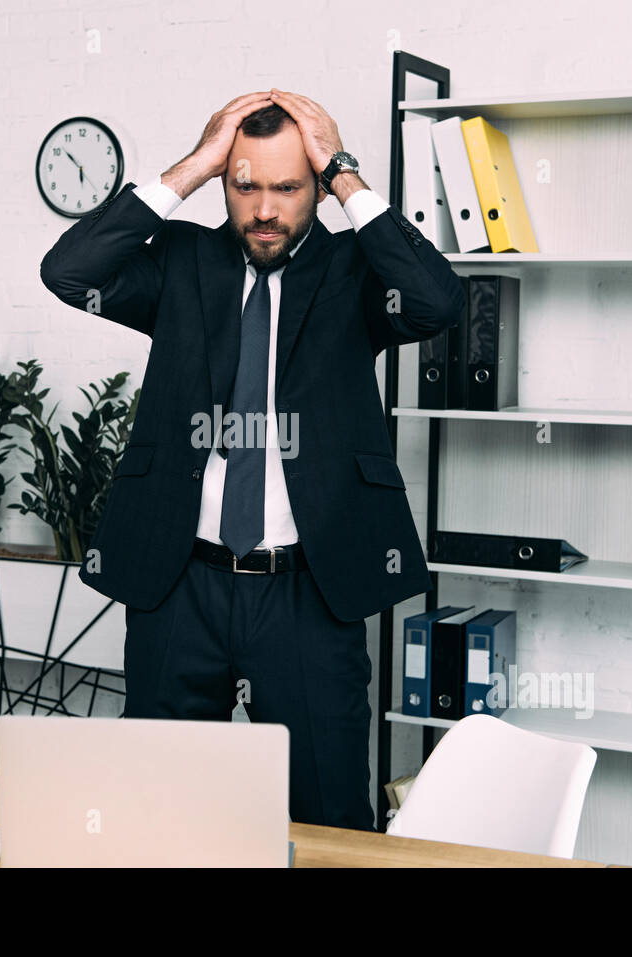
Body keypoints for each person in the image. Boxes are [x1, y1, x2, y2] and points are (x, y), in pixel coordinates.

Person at [40, 89, 465, 830]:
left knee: (328, 813)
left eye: (287, 186)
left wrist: (343, 172)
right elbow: (69, 271)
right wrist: (193, 168)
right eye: (246, 185)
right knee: (160, 814)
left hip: (307, 589)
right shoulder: (181, 262)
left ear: (316, 187)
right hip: (180, 583)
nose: (265, 209)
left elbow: (437, 303)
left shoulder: (352, 270)